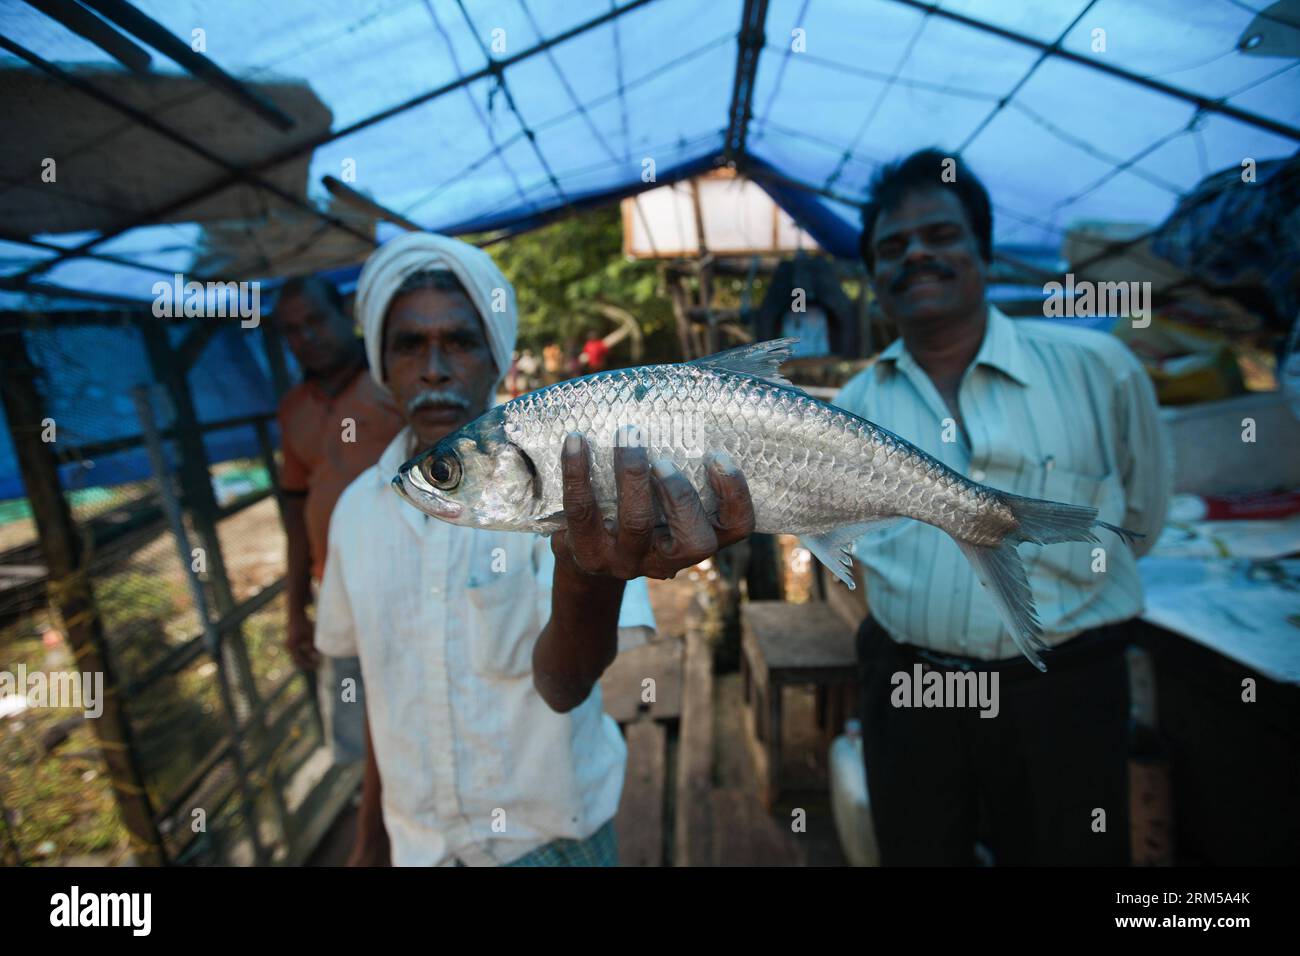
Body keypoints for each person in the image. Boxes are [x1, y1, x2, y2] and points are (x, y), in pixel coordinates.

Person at [314, 232, 756, 866]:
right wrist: (369, 840)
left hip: (553, 841)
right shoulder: (355, 515)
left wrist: (586, 573)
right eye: (409, 345)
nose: (434, 368)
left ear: (496, 355)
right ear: (382, 364)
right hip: (420, 850)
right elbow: (382, 692)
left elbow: (566, 683)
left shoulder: (568, 472)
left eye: (460, 341)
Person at [834, 149, 1170, 865]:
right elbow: (845, 551)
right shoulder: (852, 407)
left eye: (940, 235)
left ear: (983, 252)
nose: (916, 255)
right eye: (892, 247)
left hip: (1064, 689)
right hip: (912, 684)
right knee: (919, 853)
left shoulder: (1098, 370)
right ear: (875, 278)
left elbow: (1141, 521)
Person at [271, 276, 404, 764]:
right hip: (337, 589)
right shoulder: (293, 410)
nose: (306, 337)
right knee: (356, 721)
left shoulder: (393, 388)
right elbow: (295, 514)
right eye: (292, 330)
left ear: (344, 314)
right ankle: (370, 801)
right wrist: (295, 610)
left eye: (315, 320)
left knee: (418, 707)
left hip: (406, 581)